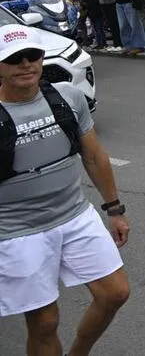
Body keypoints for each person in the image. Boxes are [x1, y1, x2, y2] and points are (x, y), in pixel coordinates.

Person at [0, 23, 130, 355]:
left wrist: (114, 210)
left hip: (75, 215)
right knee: (44, 323)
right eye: (15, 59)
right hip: (16, 230)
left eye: (33, 55)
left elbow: (94, 156)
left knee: (115, 293)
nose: (26, 65)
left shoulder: (68, 97)